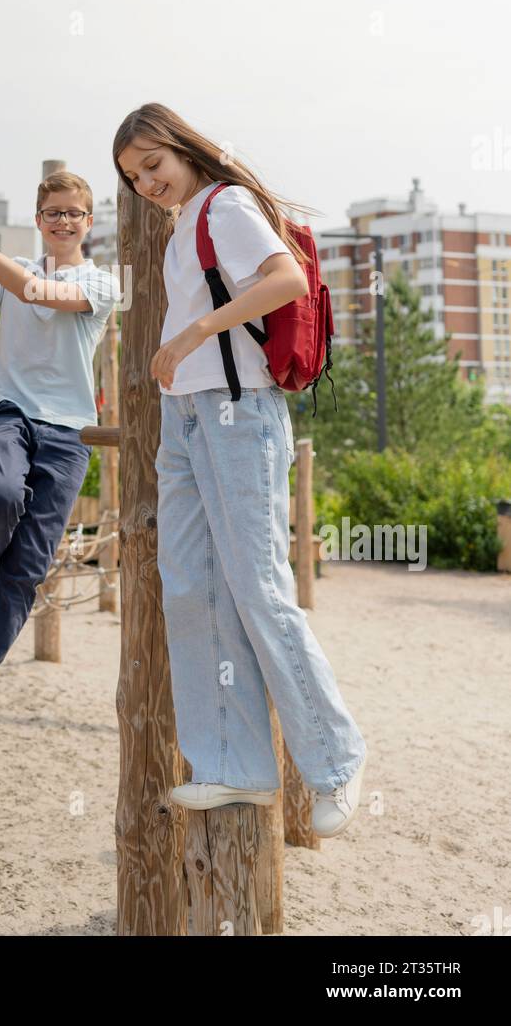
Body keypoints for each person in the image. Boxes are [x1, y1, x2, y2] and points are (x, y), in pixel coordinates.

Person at [112, 103, 367, 838]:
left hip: (236, 411)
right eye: (133, 178)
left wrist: (195, 328)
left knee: (258, 587)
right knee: (190, 586)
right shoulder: (180, 226)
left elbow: (284, 279)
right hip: (186, 417)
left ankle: (336, 760)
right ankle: (233, 766)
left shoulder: (224, 206)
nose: (147, 184)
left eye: (153, 166)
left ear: (186, 150)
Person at [0, 172, 120, 737]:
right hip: (11, 410)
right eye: (53, 212)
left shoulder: (104, 283)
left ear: (88, 222)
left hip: (70, 432)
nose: (63, 221)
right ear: (39, 221)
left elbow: (41, 295)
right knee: (2, 494)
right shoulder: (11, 274)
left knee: (29, 569)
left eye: (73, 213)